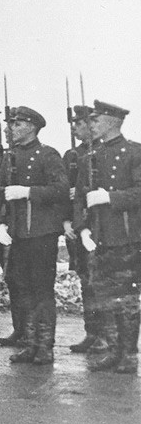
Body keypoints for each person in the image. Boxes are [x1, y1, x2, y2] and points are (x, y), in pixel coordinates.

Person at [0, 107, 69, 365]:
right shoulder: (9, 157)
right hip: (18, 234)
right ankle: (30, 342)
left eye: (17, 124)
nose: (11, 128)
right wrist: (0, 224)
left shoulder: (47, 155)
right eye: (11, 124)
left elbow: (60, 190)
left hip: (41, 233)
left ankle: (45, 346)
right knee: (22, 289)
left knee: (42, 291)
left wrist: (27, 191)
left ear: (32, 127)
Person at [73, 100, 140, 374]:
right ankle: (113, 350)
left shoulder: (134, 152)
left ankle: (128, 354)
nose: (92, 125)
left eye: (97, 120)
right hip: (98, 236)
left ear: (113, 121)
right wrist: (83, 228)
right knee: (103, 296)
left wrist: (110, 197)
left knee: (125, 299)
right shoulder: (90, 155)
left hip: (125, 237)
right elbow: (79, 196)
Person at [63, 105, 105, 353]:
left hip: (101, 225)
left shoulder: (103, 151)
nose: (75, 128)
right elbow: (64, 191)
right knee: (85, 281)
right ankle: (92, 332)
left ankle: (107, 336)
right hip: (78, 226)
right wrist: (66, 221)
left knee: (101, 280)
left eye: (79, 123)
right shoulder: (72, 155)